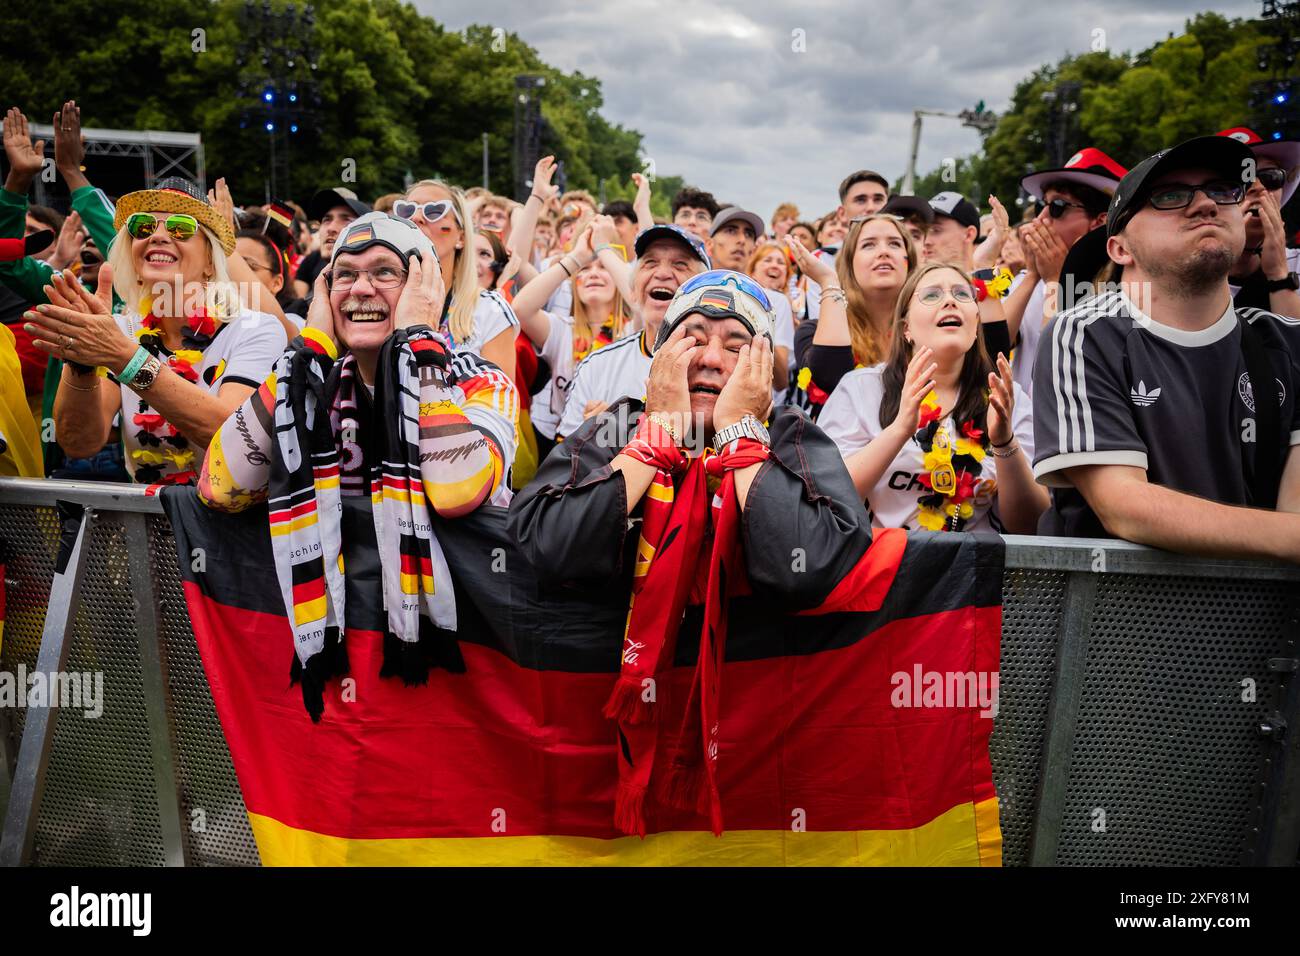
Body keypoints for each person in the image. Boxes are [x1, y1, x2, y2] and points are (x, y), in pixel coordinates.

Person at [508, 269, 873, 833]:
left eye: (735, 346)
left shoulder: (791, 436)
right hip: (593, 752)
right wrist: (656, 437)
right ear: (659, 356)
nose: (709, 358)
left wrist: (739, 439)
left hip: (754, 755)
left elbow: (808, 565)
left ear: (758, 370)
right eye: (693, 337)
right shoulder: (617, 426)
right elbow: (549, 546)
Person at [197, 213, 518, 710]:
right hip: (341, 661)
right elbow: (222, 485)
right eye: (343, 275)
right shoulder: (311, 379)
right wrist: (311, 349)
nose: (360, 289)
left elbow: (457, 493)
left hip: (455, 669)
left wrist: (418, 342)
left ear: (427, 290)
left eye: (385, 272)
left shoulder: (482, 383)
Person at [1032, 134, 1300, 562]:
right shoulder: (1085, 333)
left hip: (1263, 623)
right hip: (1114, 621)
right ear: (1120, 248)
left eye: (1222, 190)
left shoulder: (1287, 342)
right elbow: (1127, 508)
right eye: (1170, 196)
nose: (1206, 204)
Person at [24, 177, 288, 485]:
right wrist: (81, 360)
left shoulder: (255, 329)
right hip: (146, 525)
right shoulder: (121, 331)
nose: (158, 236)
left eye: (181, 227)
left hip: (228, 529)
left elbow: (233, 438)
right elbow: (80, 444)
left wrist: (127, 359)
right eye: (144, 227)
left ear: (210, 261)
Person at [819, 262, 1045, 533]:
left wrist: (1004, 442)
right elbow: (828, 497)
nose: (950, 300)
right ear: (906, 329)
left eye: (962, 294)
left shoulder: (1006, 396)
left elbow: (1031, 525)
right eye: (931, 295)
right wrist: (900, 429)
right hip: (885, 567)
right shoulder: (861, 389)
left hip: (978, 568)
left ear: (976, 324)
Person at [556, 224, 709, 438]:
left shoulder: (720, 371)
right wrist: (590, 438)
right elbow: (564, 465)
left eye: (680, 264)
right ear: (633, 290)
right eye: (650, 262)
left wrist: (623, 430)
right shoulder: (596, 366)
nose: (662, 273)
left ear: (704, 292)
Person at [1008, 148, 1126, 395]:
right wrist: (1031, 275)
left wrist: (1055, 281)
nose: (1039, 218)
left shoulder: (1121, 291)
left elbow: (1053, 367)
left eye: (1057, 206)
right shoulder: (1033, 278)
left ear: (1100, 222)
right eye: (1043, 204)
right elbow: (991, 348)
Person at [511, 215, 631, 446]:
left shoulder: (635, 331)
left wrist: (605, 249)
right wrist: (576, 257)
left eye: (603, 267)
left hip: (622, 448)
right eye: (585, 269)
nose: (593, 273)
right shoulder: (562, 331)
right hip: (565, 448)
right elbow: (520, 309)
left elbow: (638, 296)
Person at [790, 215, 916, 417]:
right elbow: (831, 379)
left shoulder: (929, 328)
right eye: (868, 245)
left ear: (909, 260)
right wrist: (828, 281)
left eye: (894, 244)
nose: (883, 252)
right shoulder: (811, 332)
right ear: (849, 264)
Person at [395, 179, 518, 379]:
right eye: (406, 211)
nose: (417, 217)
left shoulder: (490, 311)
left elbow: (501, 403)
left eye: (434, 211)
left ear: (461, 237)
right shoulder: (378, 298)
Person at [1217, 127, 1299, 318]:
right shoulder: (1183, 268)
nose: (1259, 188)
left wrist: (1278, 275)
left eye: (1270, 177)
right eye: (1240, 179)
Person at [745, 240, 796, 399]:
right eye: (767, 260)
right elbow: (781, 382)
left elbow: (781, 379)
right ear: (752, 271)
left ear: (786, 277)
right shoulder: (778, 300)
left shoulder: (782, 301)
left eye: (781, 263)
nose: (774, 265)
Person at [295, 187, 371, 290]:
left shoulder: (380, 286)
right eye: (327, 220)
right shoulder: (311, 260)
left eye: (346, 220)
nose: (330, 228)